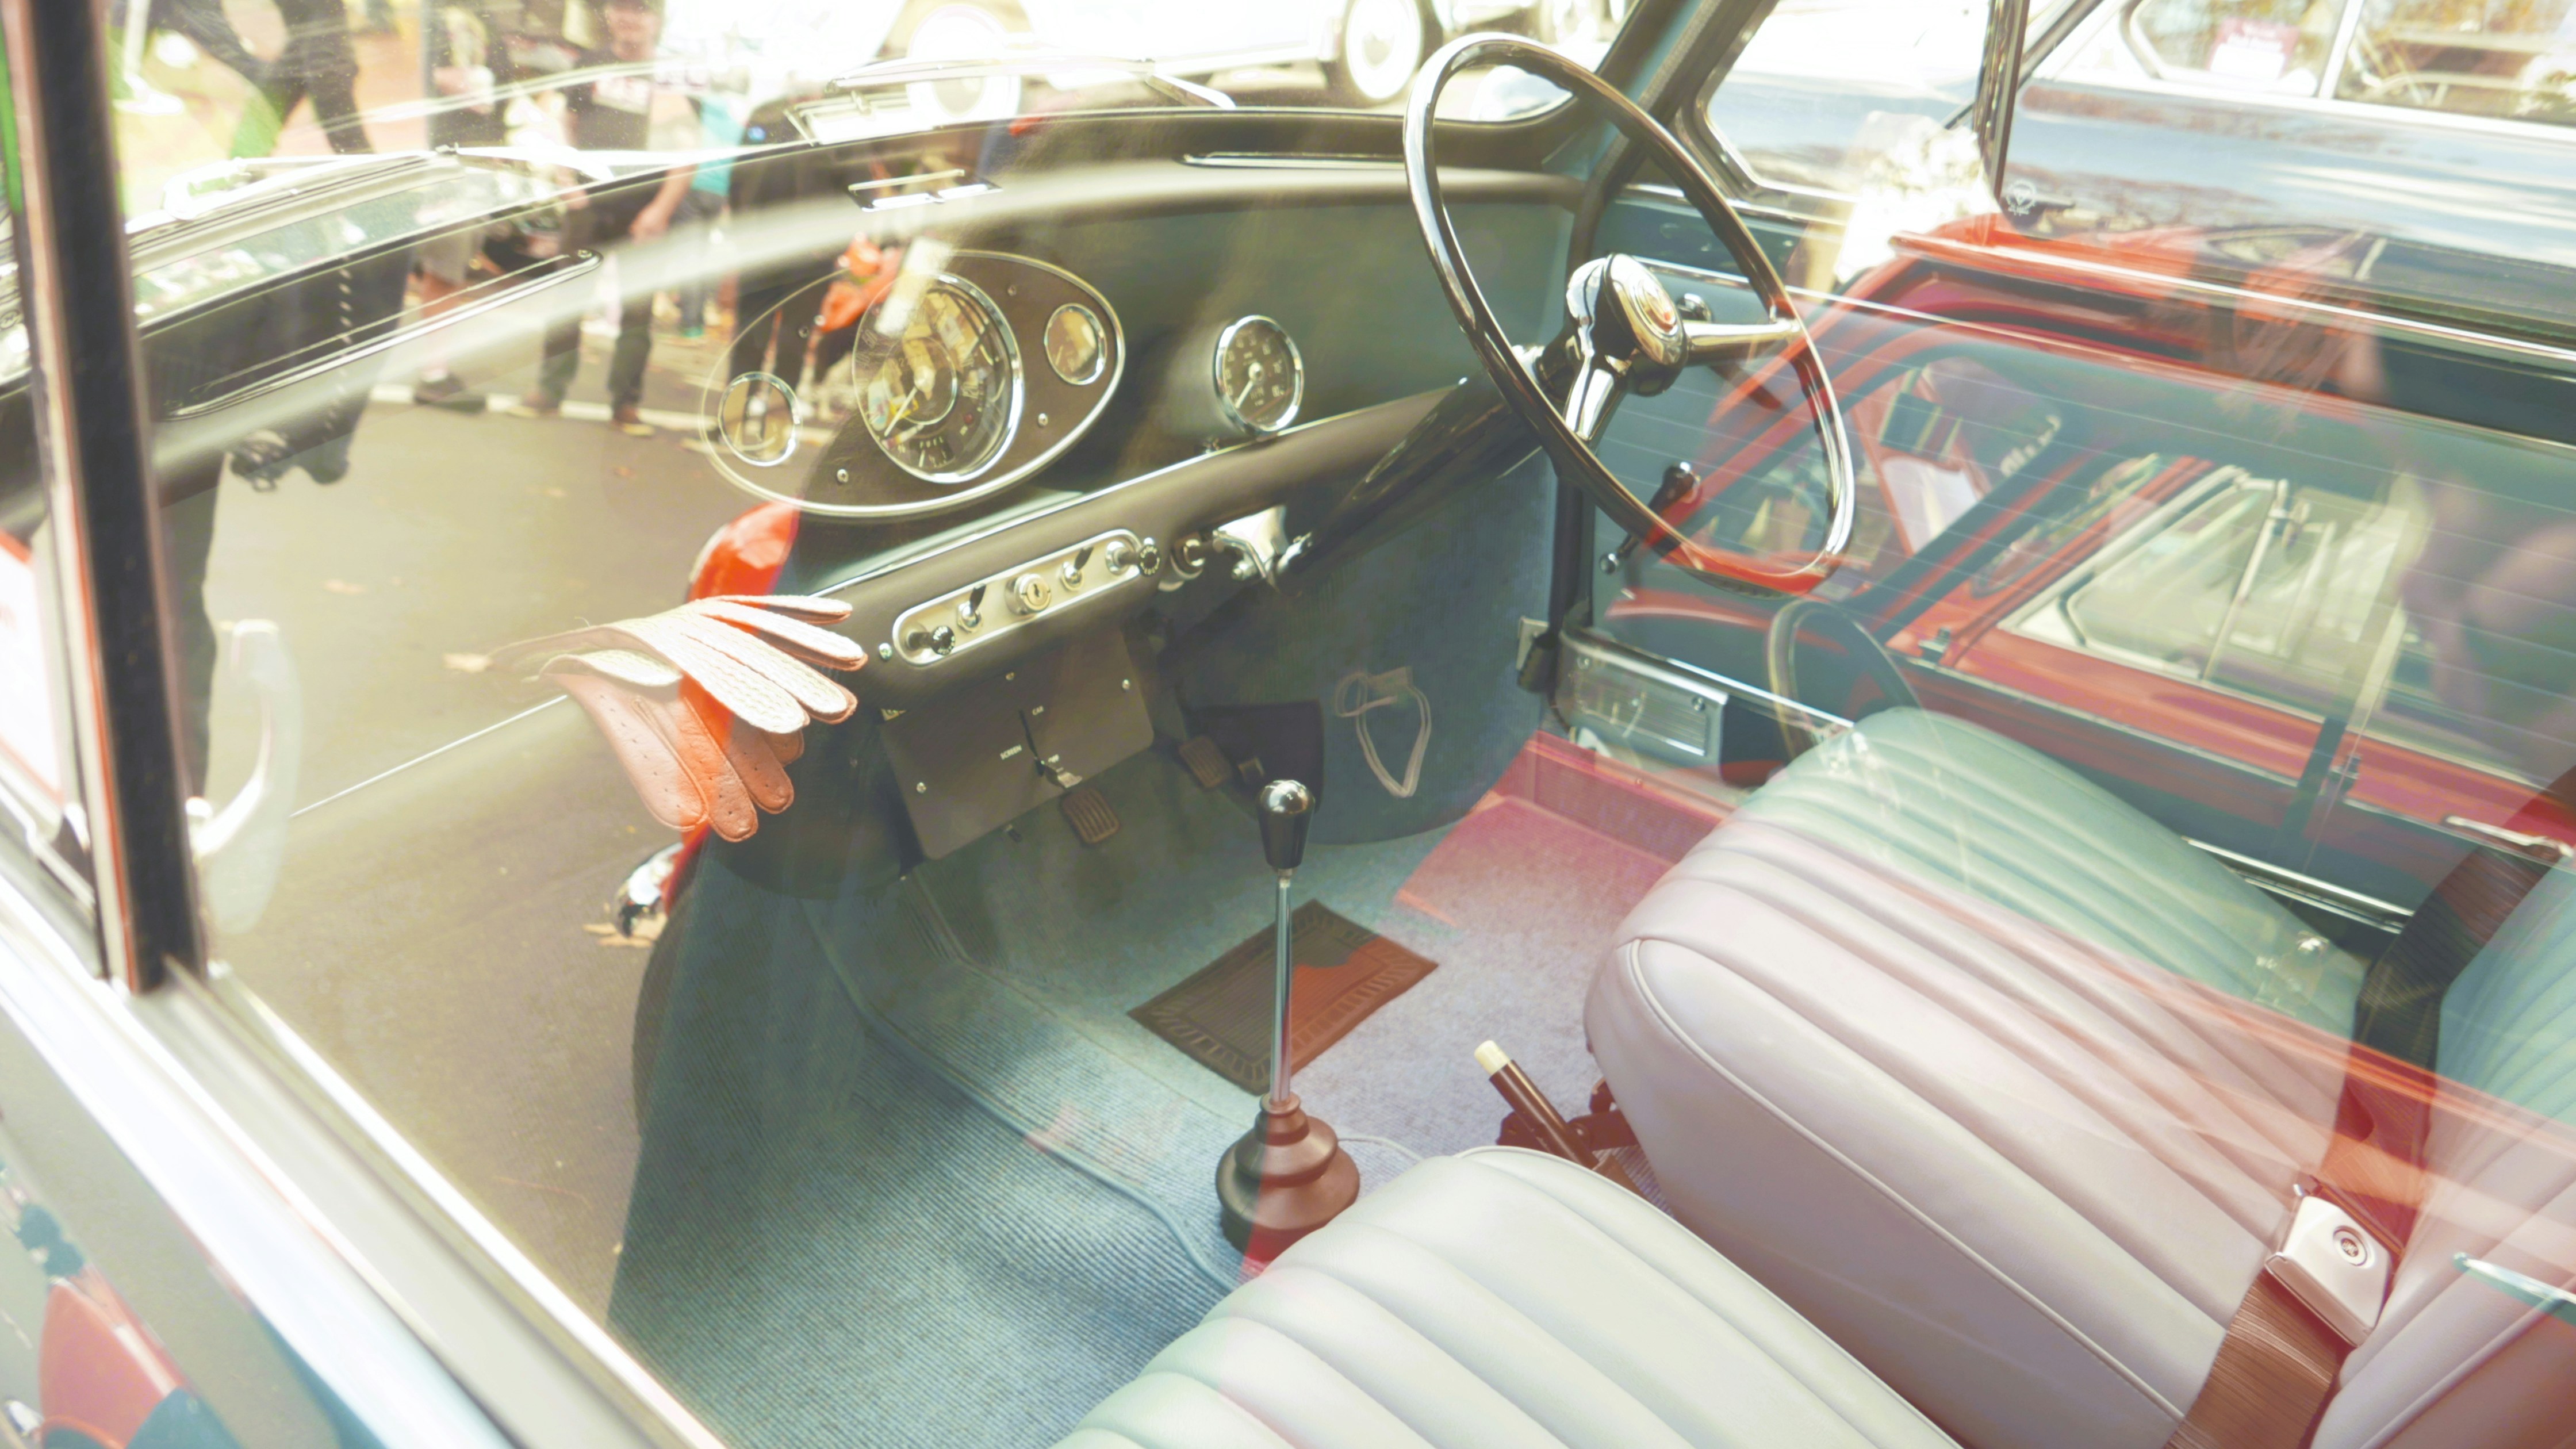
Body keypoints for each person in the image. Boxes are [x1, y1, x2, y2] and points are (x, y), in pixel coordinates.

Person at [518, 0, 695, 435]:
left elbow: (687, 152)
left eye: (640, 9)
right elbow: (567, 125)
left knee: (637, 314)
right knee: (568, 302)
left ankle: (626, 405)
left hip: (644, 212)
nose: (629, 17)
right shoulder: (590, 63)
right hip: (589, 207)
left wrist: (660, 210)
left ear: (656, 19)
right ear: (610, 15)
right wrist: (569, 184)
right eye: (621, 7)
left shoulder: (672, 75)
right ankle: (548, 392)